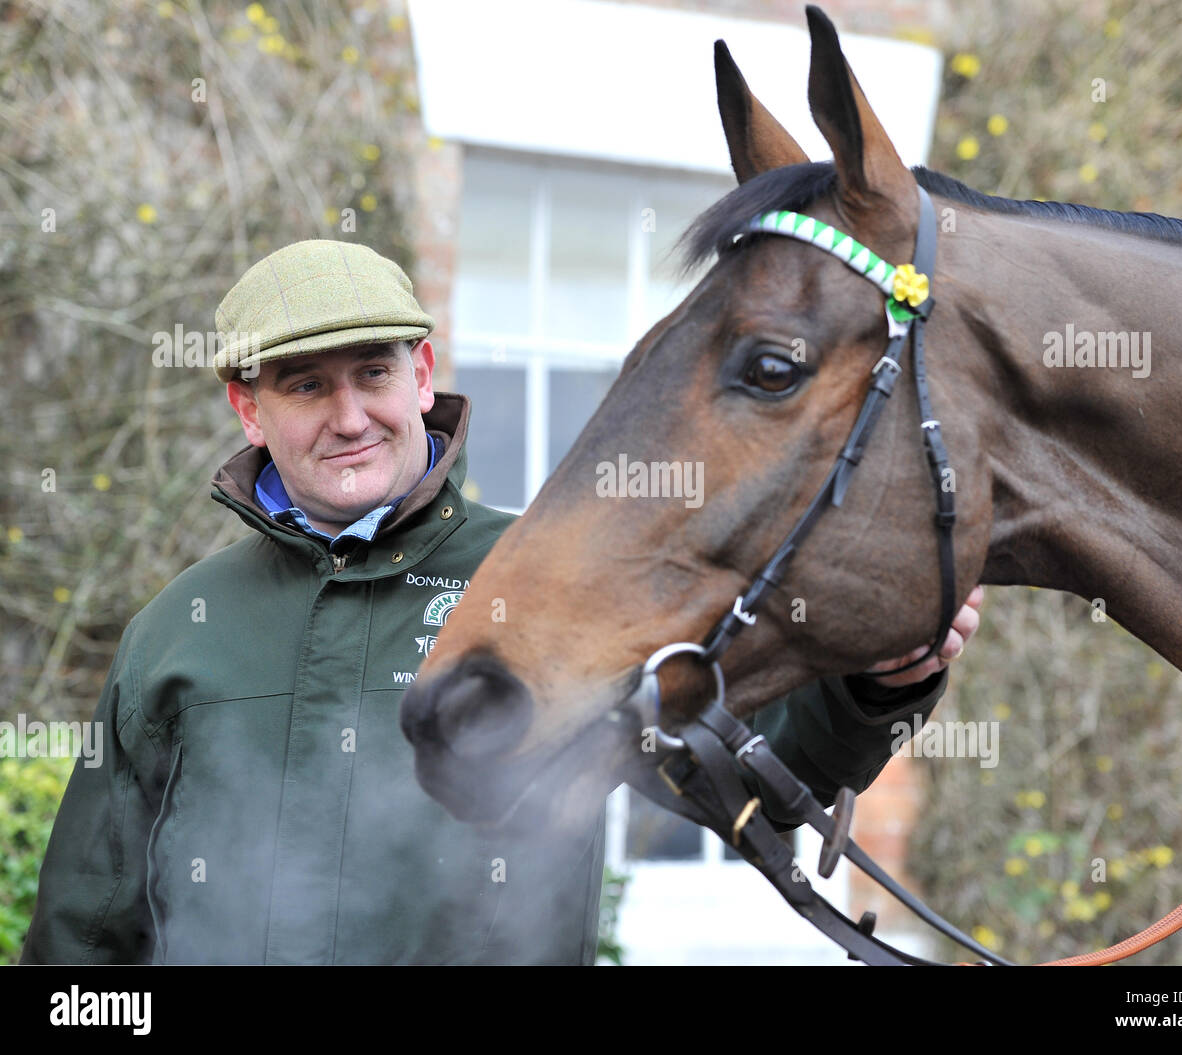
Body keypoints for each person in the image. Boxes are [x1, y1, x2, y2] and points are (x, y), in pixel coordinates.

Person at [21, 239, 981, 965]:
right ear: (249, 409)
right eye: (306, 385)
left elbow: (777, 765)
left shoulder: (555, 580)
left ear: (423, 375)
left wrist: (877, 682)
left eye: (374, 373)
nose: (350, 416)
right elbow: (84, 930)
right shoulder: (180, 631)